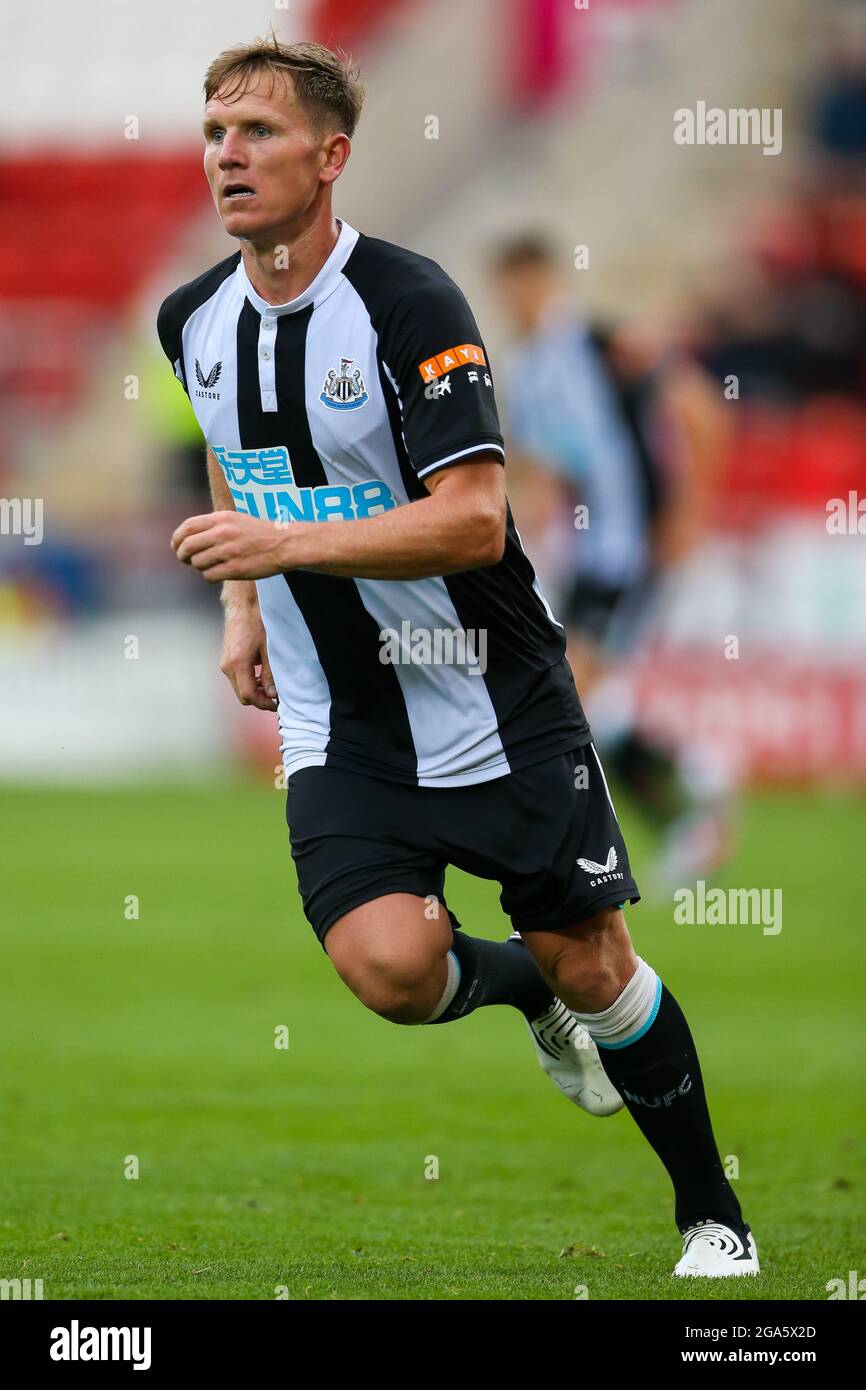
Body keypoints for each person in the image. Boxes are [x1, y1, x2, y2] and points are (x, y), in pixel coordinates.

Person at [158, 33, 757, 1277]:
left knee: (592, 962)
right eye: (214, 131)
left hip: (487, 692)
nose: (227, 155)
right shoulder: (192, 320)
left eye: (256, 132)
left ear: (330, 158)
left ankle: (710, 1211)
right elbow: (232, 447)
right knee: (387, 967)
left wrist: (283, 547)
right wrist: (240, 609)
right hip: (343, 719)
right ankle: (522, 1000)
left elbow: (475, 515)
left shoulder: (410, 300)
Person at [492, 236, 735, 883]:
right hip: (583, 557)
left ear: (543, 280)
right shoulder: (525, 369)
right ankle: (693, 784)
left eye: (521, 285)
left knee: (572, 696)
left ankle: (687, 796)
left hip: (628, 550)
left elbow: (702, 409)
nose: (514, 301)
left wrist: (688, 512)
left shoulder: (603, 342)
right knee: (578, 700)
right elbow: (541, 468)